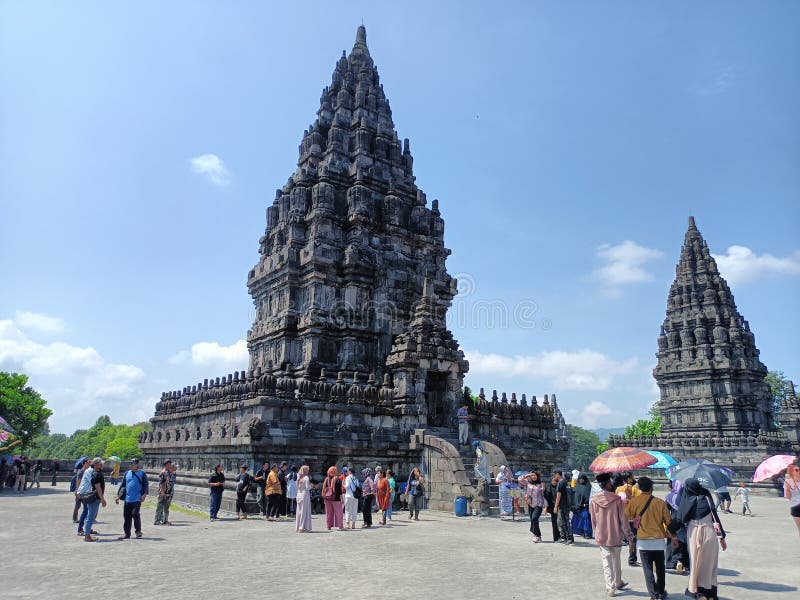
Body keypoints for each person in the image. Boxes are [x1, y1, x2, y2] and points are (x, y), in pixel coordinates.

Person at [668, 478, 727, 600]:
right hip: (710, 533)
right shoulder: (706, 497)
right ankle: (710, 592)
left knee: (696, 562)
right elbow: (715, 516)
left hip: (695, 532)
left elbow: (680, 518)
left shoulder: (688, 499)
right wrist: (722, 537)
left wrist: (670, 531)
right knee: (710, 564)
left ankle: (700, 592)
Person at [625, 476, 674, 600]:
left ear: (640, 488)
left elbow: (628, 516)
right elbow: (668, 522)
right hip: (658, 541)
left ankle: (653, 595)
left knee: (647, 569)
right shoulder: (660, 502)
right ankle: (661, 591)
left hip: (643, 541)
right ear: (651, 487)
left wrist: (628, 500)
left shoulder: (635, 501)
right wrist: (674, 537)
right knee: (660, 568)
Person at [589, 472, 633, 598]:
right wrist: (629, 537)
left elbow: (593, 519)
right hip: (616, 535)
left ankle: (610, 587)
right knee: (617, 560)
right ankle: (618, 582)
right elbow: (623, 520)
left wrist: (595, 533)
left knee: (606, 563)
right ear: (608, 484)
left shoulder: (594, 500)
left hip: (602, 535)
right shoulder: (617, 499)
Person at [116, 458, 149, 539]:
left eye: (133, 464)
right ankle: (127, 533)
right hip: (127, 498)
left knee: (135, 514)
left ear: (137, 465)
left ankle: (138, 531)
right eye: (130, 464)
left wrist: (144, 494)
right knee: (126, 516)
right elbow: (123, 486)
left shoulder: (142, 473)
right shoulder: (127, 473)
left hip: (137, 498)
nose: (131, 466)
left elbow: (145, 484)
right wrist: (118, 496)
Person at [76, 457, 107, 542]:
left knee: (90, 514)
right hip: (93, 497)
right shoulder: (95, 473)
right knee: (90, 515)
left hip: (93, 496)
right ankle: (87, 535)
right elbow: (97, 487)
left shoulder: (96, 472)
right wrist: (102, 498)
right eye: (100, 464)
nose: (102, 465)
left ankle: (87, 531)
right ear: (96, 464)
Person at [553, 470, 575, 544]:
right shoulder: (566, 482)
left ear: (558, 474)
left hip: (563, 505)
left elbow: (558, 495)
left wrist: (555, 507)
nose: (554, 476)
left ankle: (569, 538)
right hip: (567, 504)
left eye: (555, 474)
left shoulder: (560, 482)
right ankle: (566, 537)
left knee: (565, 522)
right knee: (564, 521)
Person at [524, 471, 546, 542]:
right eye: (532, 475)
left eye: (535, 475)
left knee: (534, 518)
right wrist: (528, 475)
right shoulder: (528, 483)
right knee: (532, 520)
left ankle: (538, 535)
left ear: (537, 476)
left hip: (539, 504)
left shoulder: (541, 484)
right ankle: (535, 535)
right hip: (530, 504)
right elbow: (519, 479)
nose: (533, 476)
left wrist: (546, 506)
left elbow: (544, 493)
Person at [571, 473, 593, 538]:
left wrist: (586, 503)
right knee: (577, 519)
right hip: (577, 507)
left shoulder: (588, 486)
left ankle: (587, 533)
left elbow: (590, 496)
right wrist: (573, 505)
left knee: (585, 517)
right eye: (580, 479)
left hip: (585, 506)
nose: (581, 480)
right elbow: (574, 496)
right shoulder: (576, 486)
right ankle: (581, 532)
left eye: (583, 479)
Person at [154, 459, 176, 525]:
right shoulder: (163, 472)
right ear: (166, 464)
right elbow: (162, 483)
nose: (170, 465)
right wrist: (163, 493)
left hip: (168, 492)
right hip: (163, 492)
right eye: (169, 464)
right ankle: (157, 520)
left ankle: (164, 520)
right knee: (160, 507)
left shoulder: (169, 472)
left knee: (166, 507)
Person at [322, 465, 344, 530]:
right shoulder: (337, 479)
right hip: (336, 498)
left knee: (329, 513)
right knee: (339, 513)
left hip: (327, 498)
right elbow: (340, 491)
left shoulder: (326, 479)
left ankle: (329, 526)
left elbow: (323, 489)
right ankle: (340, 526)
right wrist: (341, 497)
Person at [783, 463, 800, 536]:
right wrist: (788, 488)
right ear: (791, 472)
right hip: (795, 506)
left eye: (799, 469)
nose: (799, 471)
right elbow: (788, 497)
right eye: (796, 470)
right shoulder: (788, 482)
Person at [295, 465, 312, 532]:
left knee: (299, 511)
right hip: (305, 495)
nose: (308, 471)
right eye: (307, 470)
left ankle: (298, 526)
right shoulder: (306, 478)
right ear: (305, 470)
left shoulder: (298, 478)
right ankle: (302, 527)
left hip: (299, 494)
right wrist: (311, 486)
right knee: (304, 511)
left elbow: (297, 487)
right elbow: (307, 487)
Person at [544, 475, 561, 542]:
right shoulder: (549, 488)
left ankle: (561, 536)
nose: (554, 482)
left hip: (559, 507)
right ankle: (556, 537)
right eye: (552, 481)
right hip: (552, 507)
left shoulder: (559, 488)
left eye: (555, 481)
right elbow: (547, 498)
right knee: (554, 523)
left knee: (560, 522)